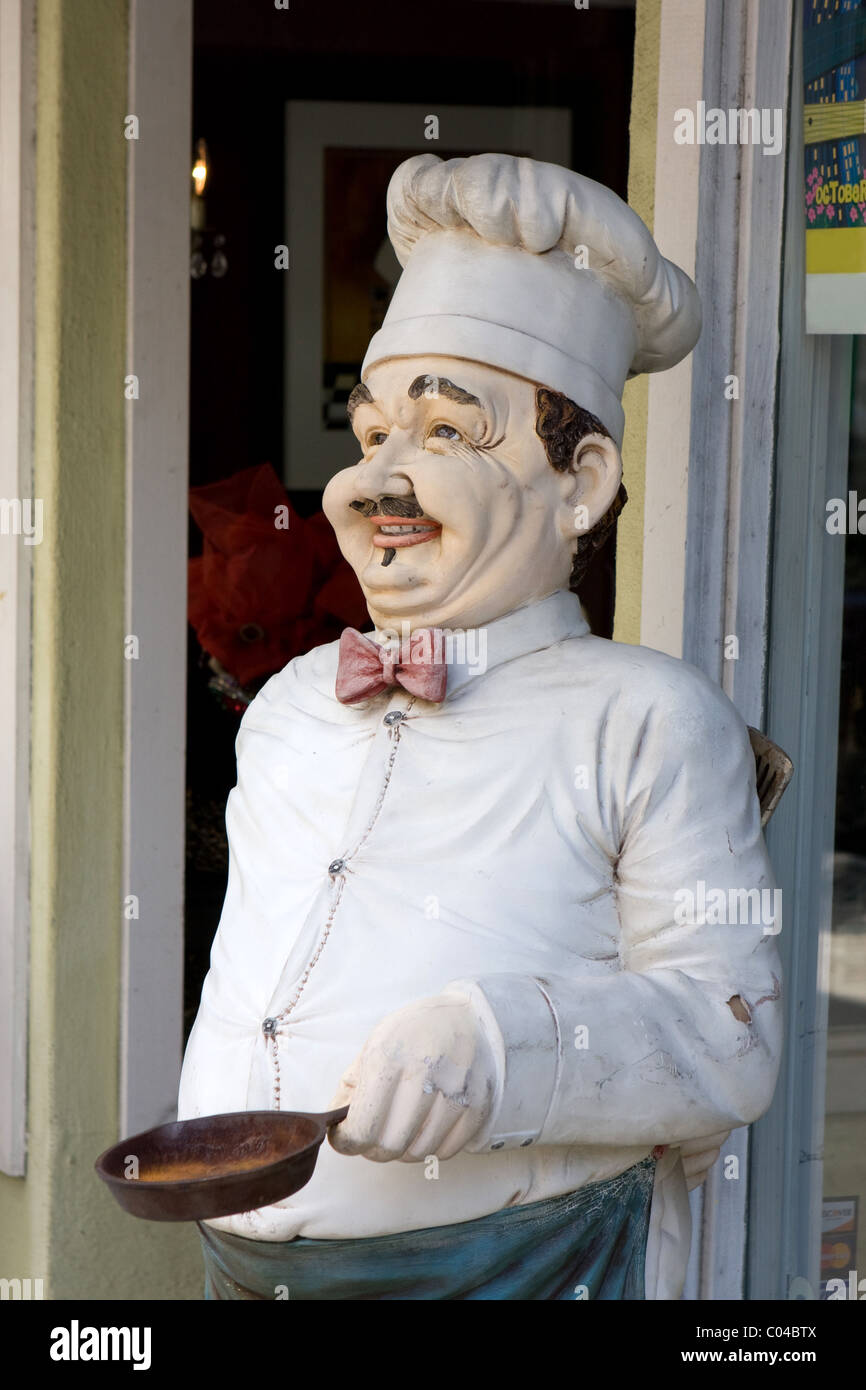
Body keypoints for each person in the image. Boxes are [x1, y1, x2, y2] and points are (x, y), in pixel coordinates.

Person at [179, 153, 783, 1300]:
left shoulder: (648, 719)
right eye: (369, 439)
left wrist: (496, 1039)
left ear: (581, 481)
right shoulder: (295, 706)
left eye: (447, 435)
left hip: (519, 1267)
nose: (376, 483)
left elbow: (730, 1031)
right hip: (237, 1266)